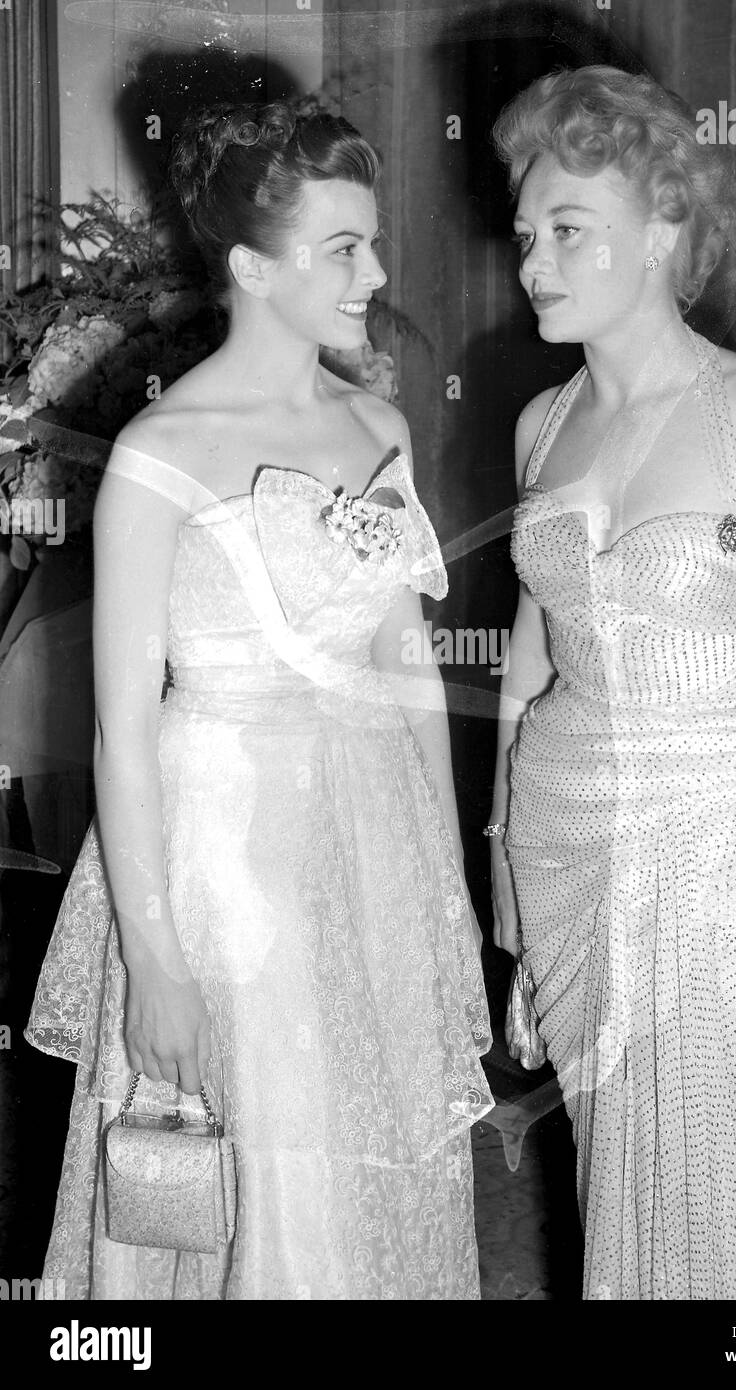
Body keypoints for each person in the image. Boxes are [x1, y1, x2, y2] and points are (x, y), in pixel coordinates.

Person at [26, 96, 493, 1300]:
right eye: (343, 247)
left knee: (367, 1170)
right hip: (222, 866)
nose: (377, 270)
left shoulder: (377, 421)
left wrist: (440, 887)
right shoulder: (159, 451)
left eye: (371, 240)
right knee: (251, 1191)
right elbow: (123, 731)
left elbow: (404, 668)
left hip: (370, 847)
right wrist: (156, 958)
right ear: (249, 266)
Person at [487, 65, 736, 1300]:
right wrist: (498, 854)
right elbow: (529, 657)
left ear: (662, 233)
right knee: (601, 1155)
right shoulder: (540, 424)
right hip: (558, 824)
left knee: (707, 1151)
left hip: (709, 825)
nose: (534, 259)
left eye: (569, 230)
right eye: (529, 232)